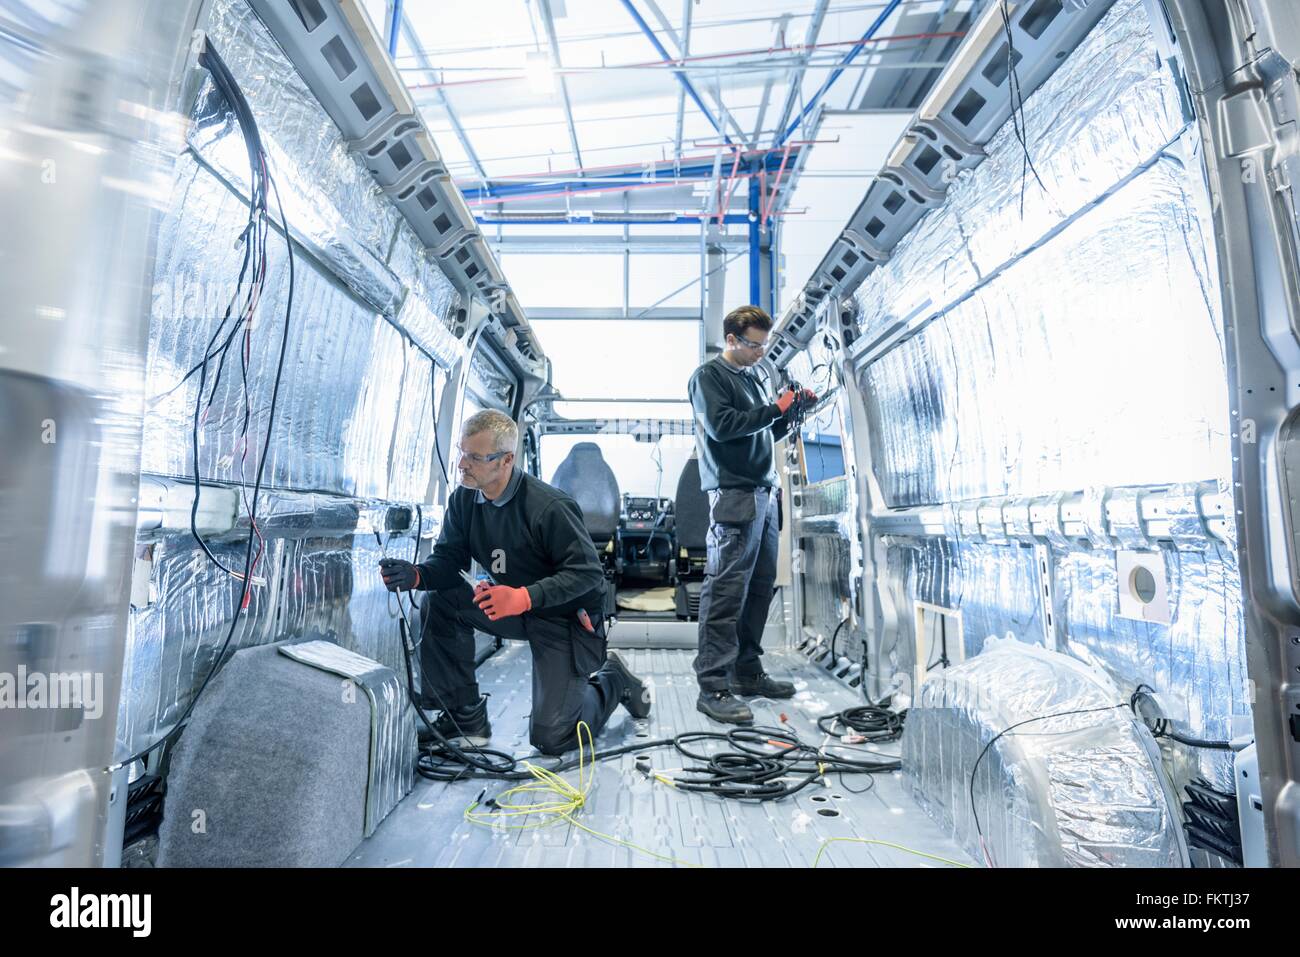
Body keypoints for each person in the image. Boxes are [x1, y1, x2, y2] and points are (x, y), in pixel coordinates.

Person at [379, 409, 650, 755]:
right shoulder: (464, 500)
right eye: (462, 453)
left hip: (564, 618)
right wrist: (418, 575)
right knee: (439, 601)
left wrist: (524, 597)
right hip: (515, 607)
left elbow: (587, 575)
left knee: (554, 739)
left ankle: (612, 679)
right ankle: (465, 718)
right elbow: (449, 560)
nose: (463, 464)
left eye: (475, 457)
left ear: (506, 460)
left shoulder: (549, 507)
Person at [687, 305, 815, 724]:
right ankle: (714, 686)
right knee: (725, 590)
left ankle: (746, 671)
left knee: (759, 586)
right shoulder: (709, 378)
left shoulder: (753, 378)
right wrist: (775, 409)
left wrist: (793, 411)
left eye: (764, 345)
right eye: (753, 345)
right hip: (734, 493)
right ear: (731, 340)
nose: (761, 353)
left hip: (763, 492)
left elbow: (763, 429)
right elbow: (724, 427)